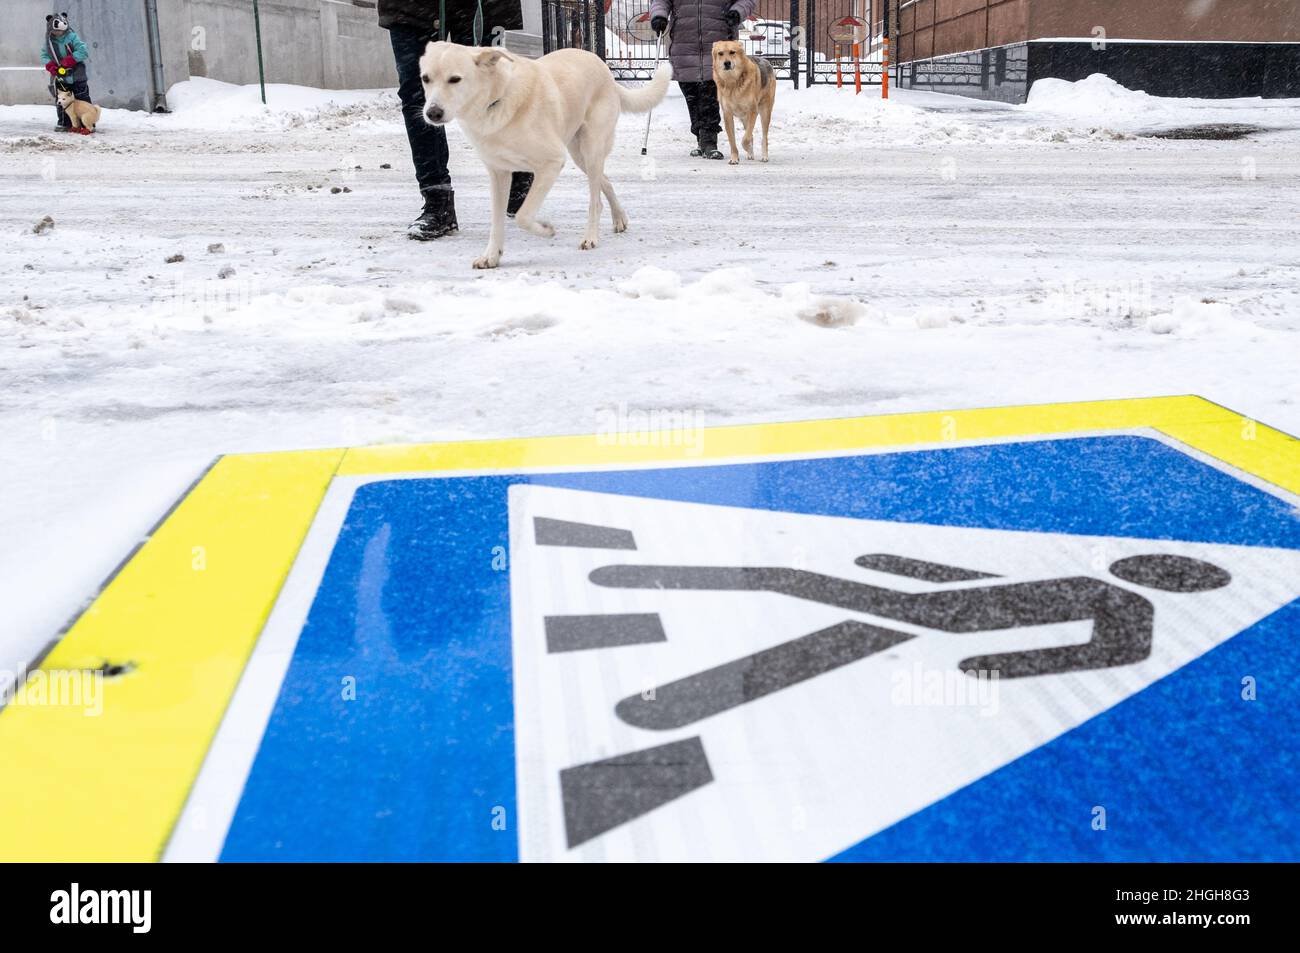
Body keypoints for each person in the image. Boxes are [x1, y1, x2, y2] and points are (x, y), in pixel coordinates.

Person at [377, 1, 534, 240]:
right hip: (408, 8)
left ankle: (517, 175)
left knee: (492, 86)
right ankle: (437, 201)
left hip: (482, 5)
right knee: (419, 95)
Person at [649, 0, 756, 160]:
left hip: (717, 46)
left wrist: (737, 11)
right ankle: (700, 137)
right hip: (684, 44)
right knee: (691, 95)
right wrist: (659, 15)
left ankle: (709, 141)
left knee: (710, 95)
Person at [41, 13, 91, 133]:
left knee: (82, 99)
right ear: (50, 29)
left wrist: (70, 59)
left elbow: (83, 51)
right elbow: (44, 55)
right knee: (62, 100)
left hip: (77, 75)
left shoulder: (72, 37)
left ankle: (87, 123)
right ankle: (64, 122)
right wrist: (51, 65)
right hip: (60, 77)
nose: (59, 33)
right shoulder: (49, 42)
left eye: (61, 31)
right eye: (55, 31)